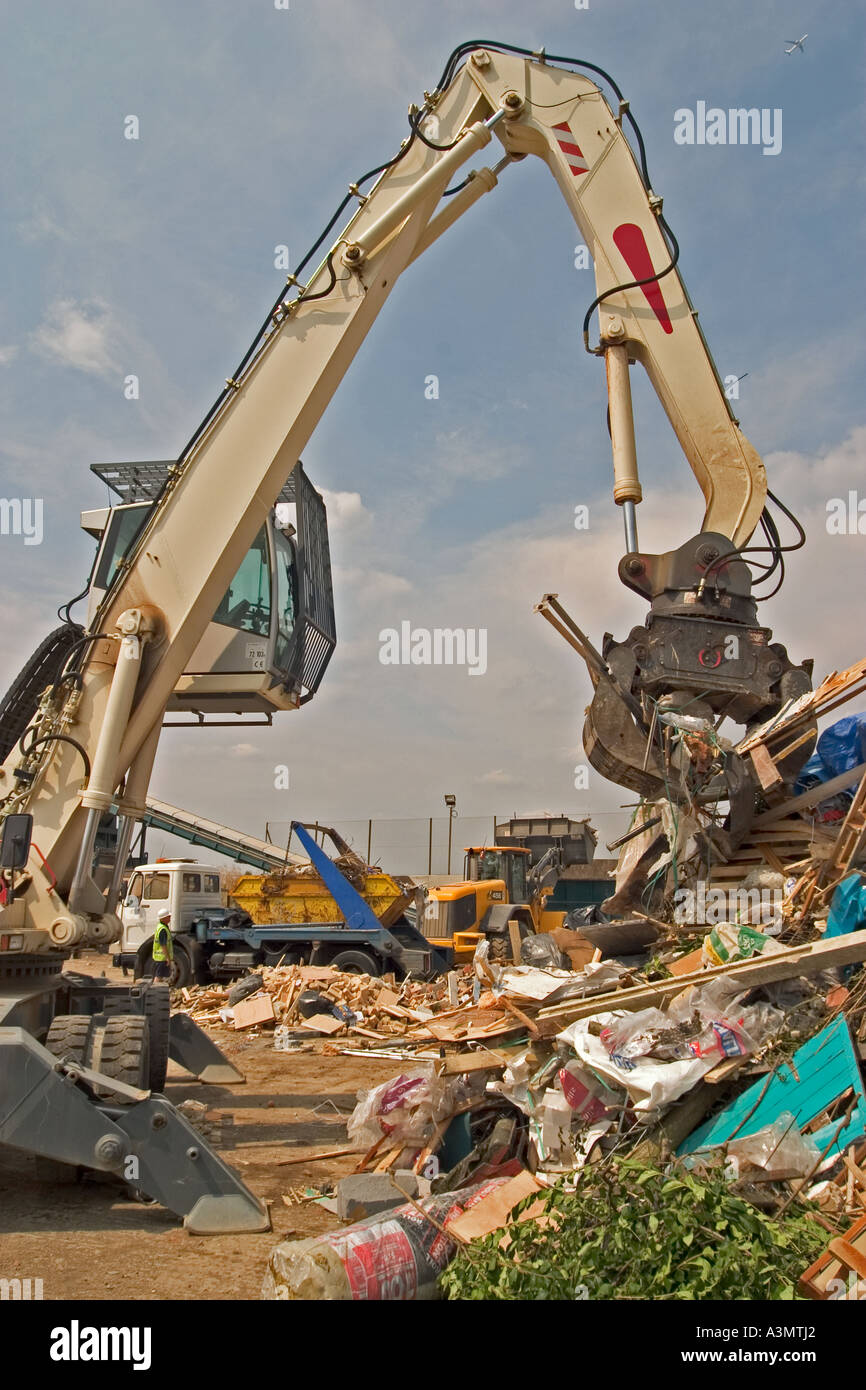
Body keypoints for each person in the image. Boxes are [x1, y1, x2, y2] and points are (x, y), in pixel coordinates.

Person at [152, 909, 174, 982]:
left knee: (161, 976)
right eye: (168, 916)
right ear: (163, 918)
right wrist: (168, 958)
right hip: (161, 958)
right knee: (159, 976)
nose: (170, 918)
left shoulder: (162, 927)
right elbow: (163, 945)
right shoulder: (162, 929)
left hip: (161, 958)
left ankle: (157, 990)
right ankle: (155, 990)